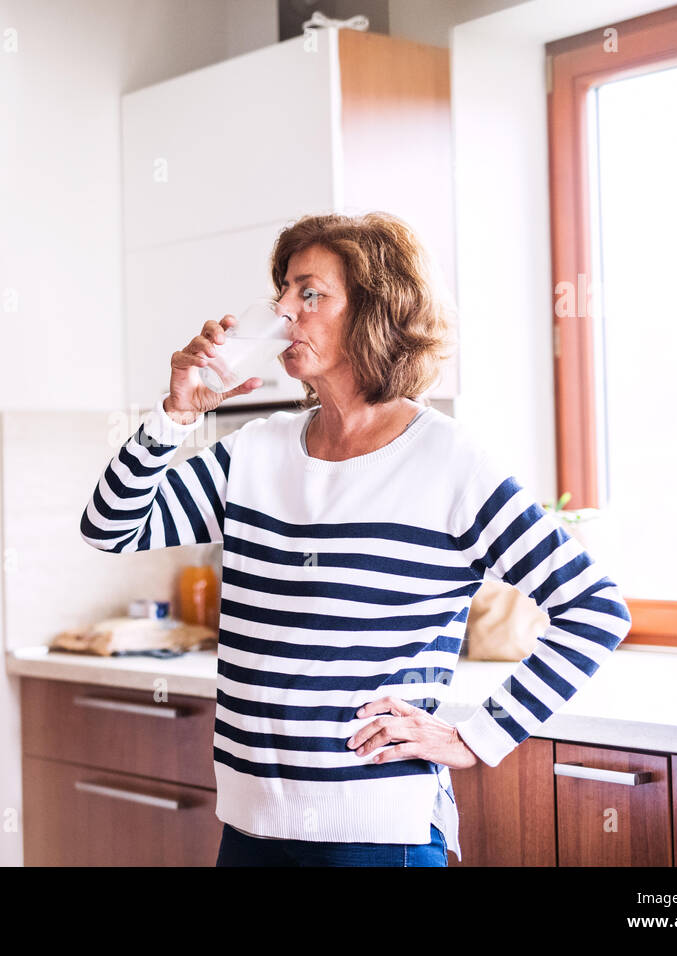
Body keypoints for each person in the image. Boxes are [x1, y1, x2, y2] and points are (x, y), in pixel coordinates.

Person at [79, 211, 632, 866]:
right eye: (282, 290)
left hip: (376, 835)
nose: (283, 310)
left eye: (309, 292)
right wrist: (174, 416)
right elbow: (111, 528)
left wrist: (475, 737)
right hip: (249, 826)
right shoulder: (254, 453)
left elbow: (595, 609)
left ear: (373, 311)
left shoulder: (448, 463)